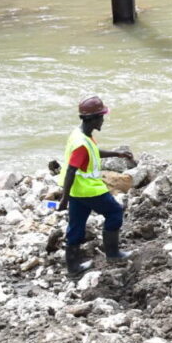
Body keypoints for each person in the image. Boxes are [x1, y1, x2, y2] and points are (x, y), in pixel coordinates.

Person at [56, 94, 136, 276]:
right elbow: (71, 170)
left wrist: (117, 154)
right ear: (92, 119)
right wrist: (64, 198)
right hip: (88, 190)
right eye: (101, 116)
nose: (103, 120)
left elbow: (93, 153)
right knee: (114, 212)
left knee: (76, 227)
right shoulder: (81, 144)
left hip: (78, 191)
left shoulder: (80, 135)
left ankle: (73, 268)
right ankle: (113, 254)